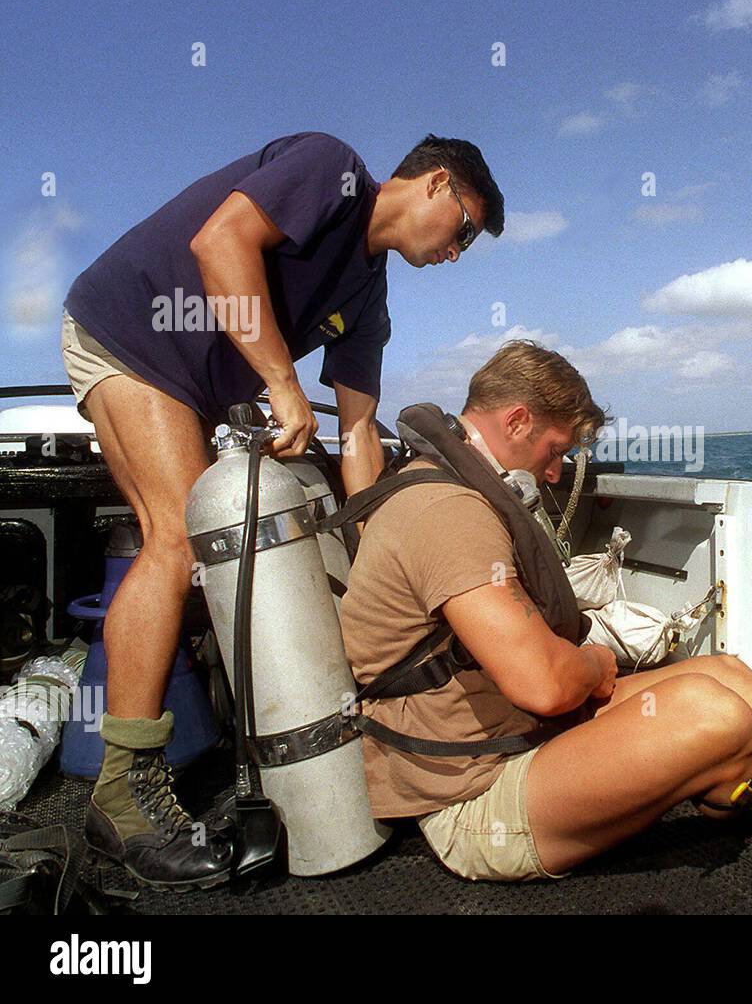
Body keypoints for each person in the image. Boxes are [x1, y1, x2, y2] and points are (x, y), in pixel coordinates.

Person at [63, 130, 505, 890]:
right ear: (435, 184)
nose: (458, 253)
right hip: (130, 328)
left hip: (188, 380)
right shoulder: (331, 170)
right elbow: (219, 241)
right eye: (465, 228)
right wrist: (282, 380)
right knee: (177, 539)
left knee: (221, 543)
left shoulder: (369, 299)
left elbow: (360, 432)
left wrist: (377, 558)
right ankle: (121, 794)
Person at [342, 340, 752, 882]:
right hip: (472, 802)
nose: (555, 473)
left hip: (516, 736)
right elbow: (545, 685)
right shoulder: (447, 511)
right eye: (555, 451)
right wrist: (599, 664)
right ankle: (746, 779)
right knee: (717, 716)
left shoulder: (452, 489)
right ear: (517, 420)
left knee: (726, 674)